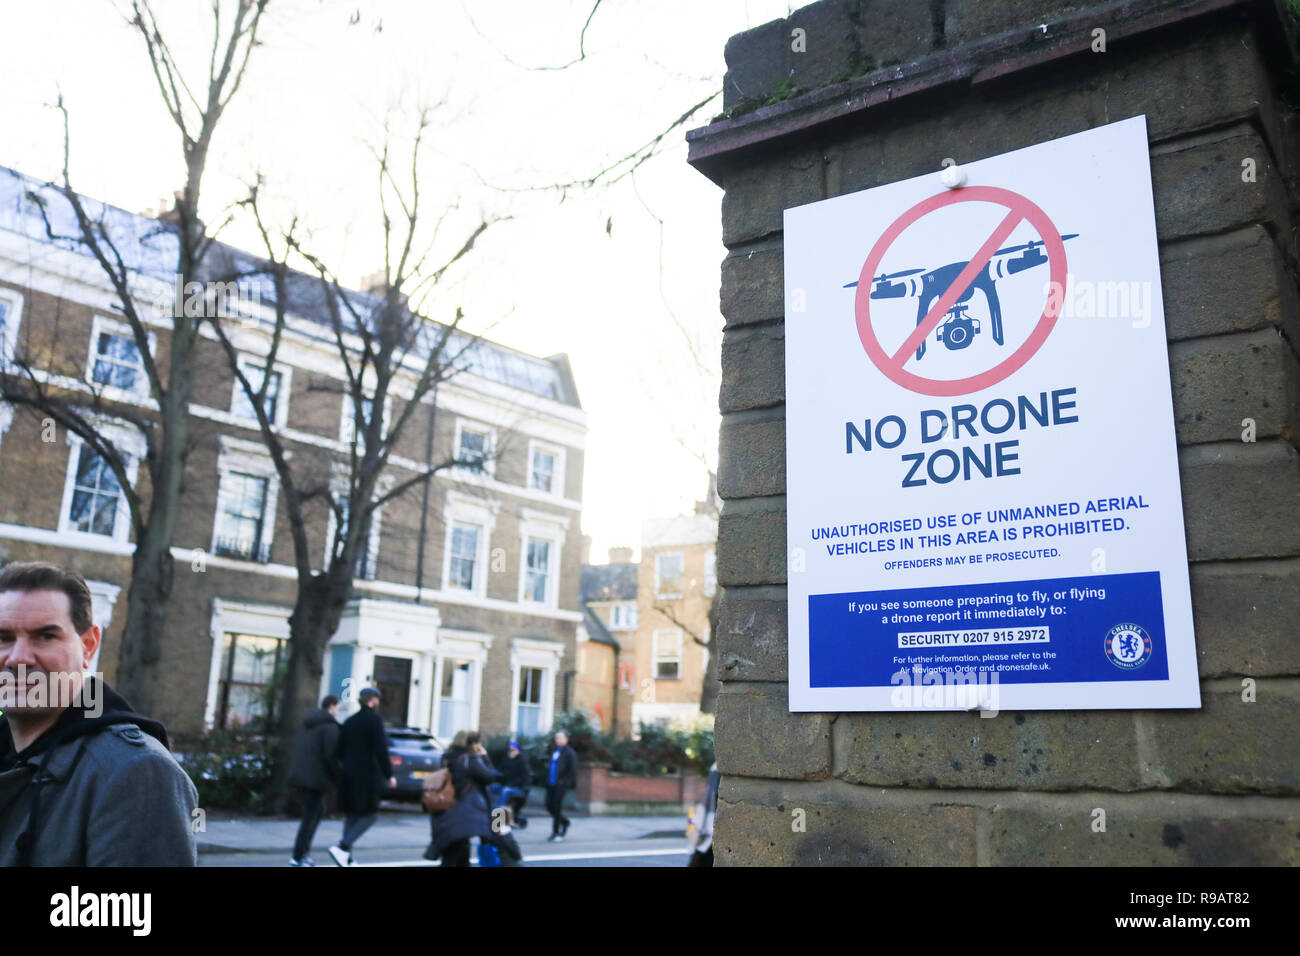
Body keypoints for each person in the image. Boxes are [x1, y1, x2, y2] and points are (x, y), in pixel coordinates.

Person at [0, 561, 198, 866]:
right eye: (4, 638)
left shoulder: (134, 773)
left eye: (46, 636)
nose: (18, 659)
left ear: (89, 646)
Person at [428, 730, 522, 867]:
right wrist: (485, 757)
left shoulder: (446, 758)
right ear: (472, 744)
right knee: (496, 832)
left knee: (456, 851)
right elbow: (491, 776)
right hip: (468, 811)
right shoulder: (470, 759)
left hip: (448, 808)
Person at [328, 687, 394, 866]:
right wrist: (389, 775)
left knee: (352, 815)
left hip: (348, 774)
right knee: (369, 815)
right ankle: (343, 846)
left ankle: (346, 857)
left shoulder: (349, 721)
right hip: (366, 776)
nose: (378, 703)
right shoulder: (374, 720)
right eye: (377, 699)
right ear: (373, 701)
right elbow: (381, 750)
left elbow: (339, 751)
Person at [286, 694, 340, 866]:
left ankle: (302, 854)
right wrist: (338, 777)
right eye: (337, 707)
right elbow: (331, 756)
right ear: (332, 706)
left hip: (301, 776)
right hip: (317, 780)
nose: (338, 710)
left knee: (315, 813)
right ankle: (298, 855)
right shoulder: (330, 727)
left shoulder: (307, 724)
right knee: (311, 817)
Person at [545, 730, 578, 842]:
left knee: (557, 807)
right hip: (551, 783)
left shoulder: (570, 752)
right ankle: (565, 822)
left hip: (561, 785)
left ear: (566, 739)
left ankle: (556, 832)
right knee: (549, 806)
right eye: (556, 738)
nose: (557, 740)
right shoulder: (555, 752)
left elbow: (572, 770)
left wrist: (564, 782)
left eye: (559, 738)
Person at [687, 762, 720, 867]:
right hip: (713, 828)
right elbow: (712, 797)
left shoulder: (717, 765)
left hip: (710, 828)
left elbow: (710, 797)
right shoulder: (718, 766)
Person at [498, 739, 531, 827]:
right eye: (510, 750)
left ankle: (498, 816)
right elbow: (501, 774)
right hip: (507, 786)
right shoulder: (506, 760)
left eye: (513, 750)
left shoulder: (522, 761)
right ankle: (490, 810)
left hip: (519, 788)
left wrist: (510, 785)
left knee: (505, 791)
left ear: (518, 750)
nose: (511, 752)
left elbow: (524, 779)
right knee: (493, 787)